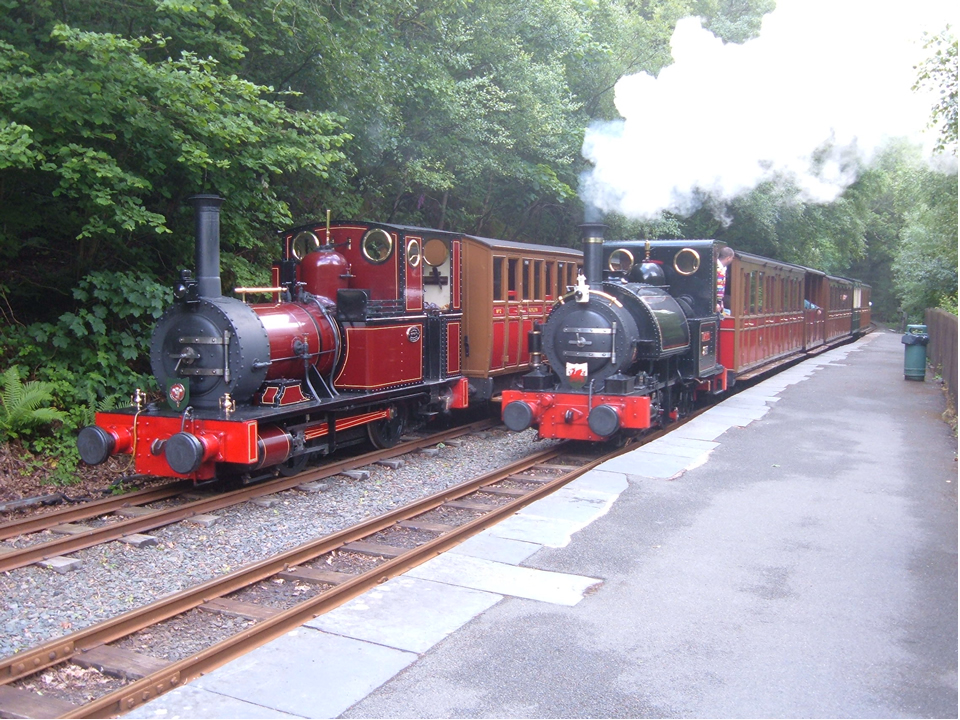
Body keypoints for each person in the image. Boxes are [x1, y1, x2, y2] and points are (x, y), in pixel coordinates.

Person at [716, 246, 734, 313]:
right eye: (732, 258)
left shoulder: (722, 269)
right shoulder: (715, 268)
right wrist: (714, 303)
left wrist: (720, 301)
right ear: (728, 258)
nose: (732, 260)